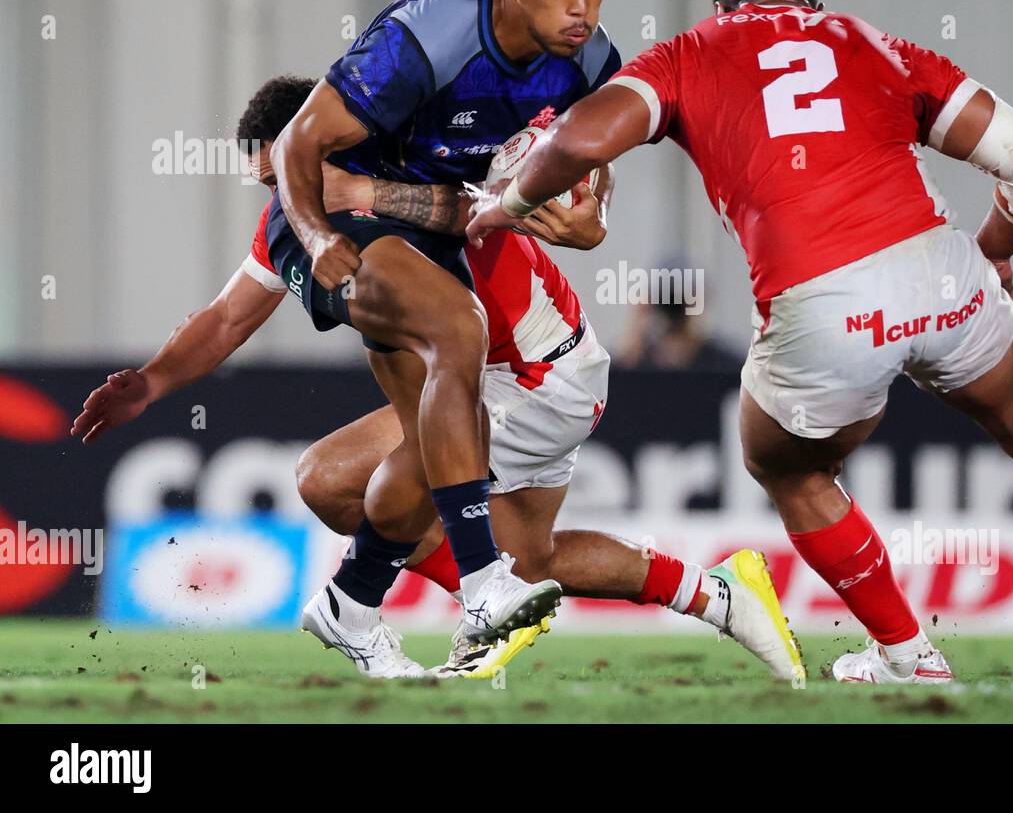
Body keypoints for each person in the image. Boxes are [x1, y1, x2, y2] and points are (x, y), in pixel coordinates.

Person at [468, 0, 1013, 685]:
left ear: (723, 7)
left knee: (787, 464)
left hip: (822, 301)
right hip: (939, 269)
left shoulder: (690, 51)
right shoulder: (871, 43)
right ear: (812, 6)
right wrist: (996, 250)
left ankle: (909, 654)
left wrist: (507, 205)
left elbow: (581, 139)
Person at [75, 74, 803, 682]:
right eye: (271, 187)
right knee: (534, 557)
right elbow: (225, 319)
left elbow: (539, 195)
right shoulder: (294, 217)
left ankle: (375, 603)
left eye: (289, 176)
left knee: (331, 479)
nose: (285, 200)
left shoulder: (418, 161)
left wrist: (583, 201)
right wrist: (149, 382)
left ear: (319, 144)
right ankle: (717, 595)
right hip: (502, 376)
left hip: (537, 375)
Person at [266, 0, 633, 664]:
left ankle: (350, 604)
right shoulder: (431, 36)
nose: (582, 5)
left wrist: (591, 218)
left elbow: (593, 177)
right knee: (459, 331)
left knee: (432, 442)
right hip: (336, 215)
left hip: (428, 233)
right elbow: (298, 142)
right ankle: (481, 580)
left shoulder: (594, 64)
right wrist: (310, 231)